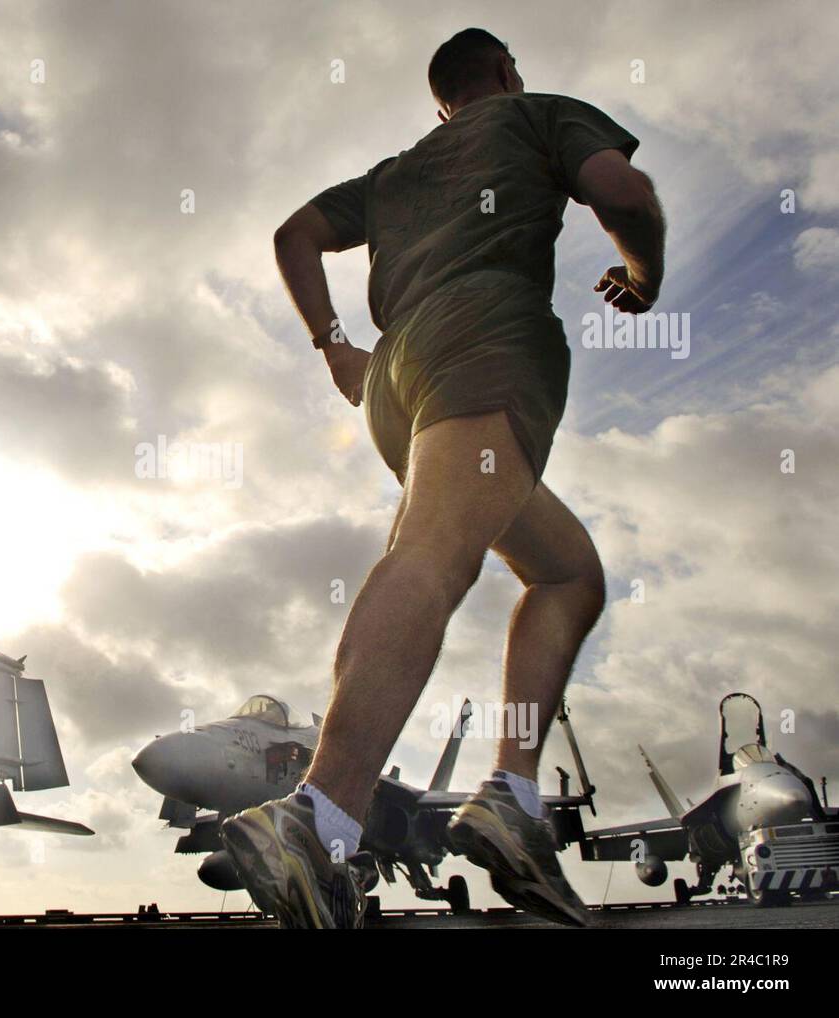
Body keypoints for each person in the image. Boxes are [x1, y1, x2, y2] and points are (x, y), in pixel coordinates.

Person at [221, 27, 665, 929]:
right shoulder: (541, 115)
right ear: (505, 72)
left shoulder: (395, 174)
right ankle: (320, 815)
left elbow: (295, 233)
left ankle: (512, 795)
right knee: (433, 555)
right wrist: (641, 276)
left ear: (439, 104)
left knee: (567, 574)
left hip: (396, 381)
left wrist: (332, 346)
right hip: (486, 342)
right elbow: (623, 191)